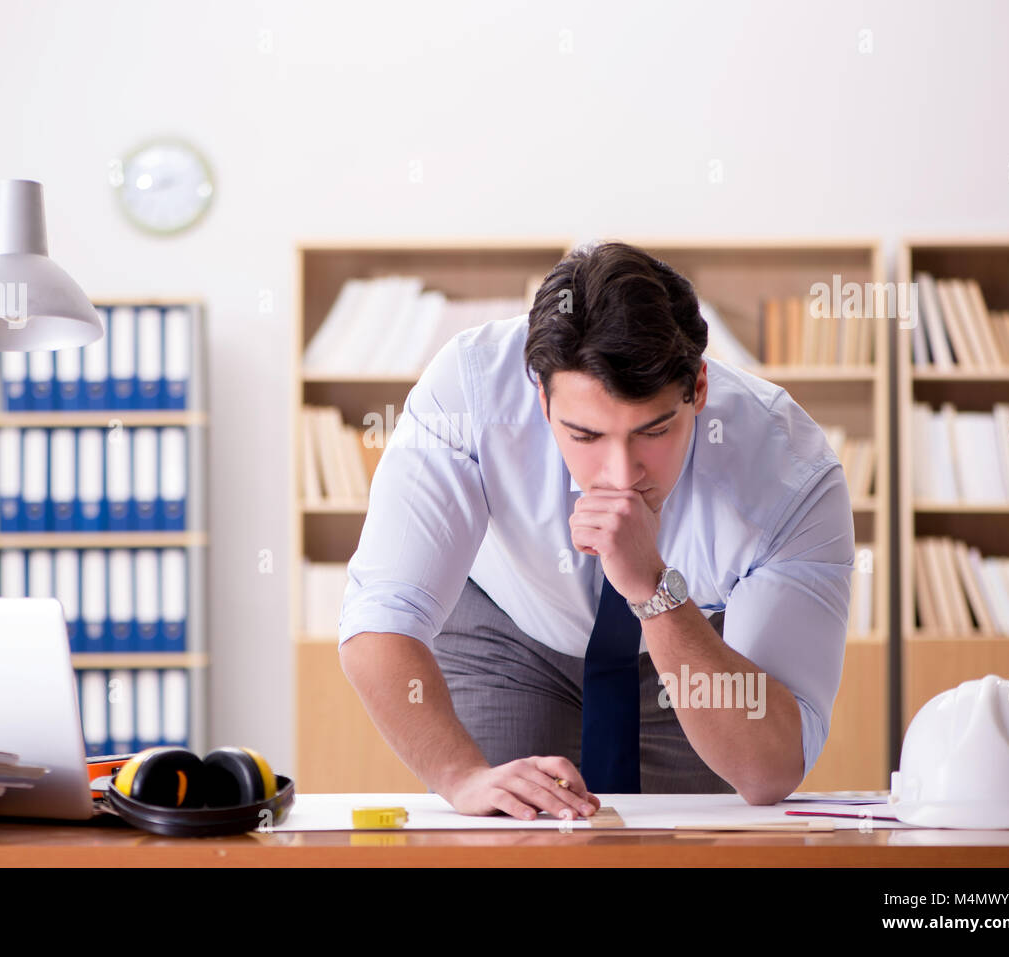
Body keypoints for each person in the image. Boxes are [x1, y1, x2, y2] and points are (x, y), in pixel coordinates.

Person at [337, 240, 855, 821]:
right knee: (507, 837)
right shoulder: (468, 391)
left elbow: (771, 770)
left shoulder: (790, 473)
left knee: (687, 850)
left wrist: (654, 590)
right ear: (540, 395)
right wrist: (460, 777)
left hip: (693, 642)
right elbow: (380, 618)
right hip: (508, 636)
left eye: (653, 431)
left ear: (700, 389)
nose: (620, 475)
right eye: (585, 436)